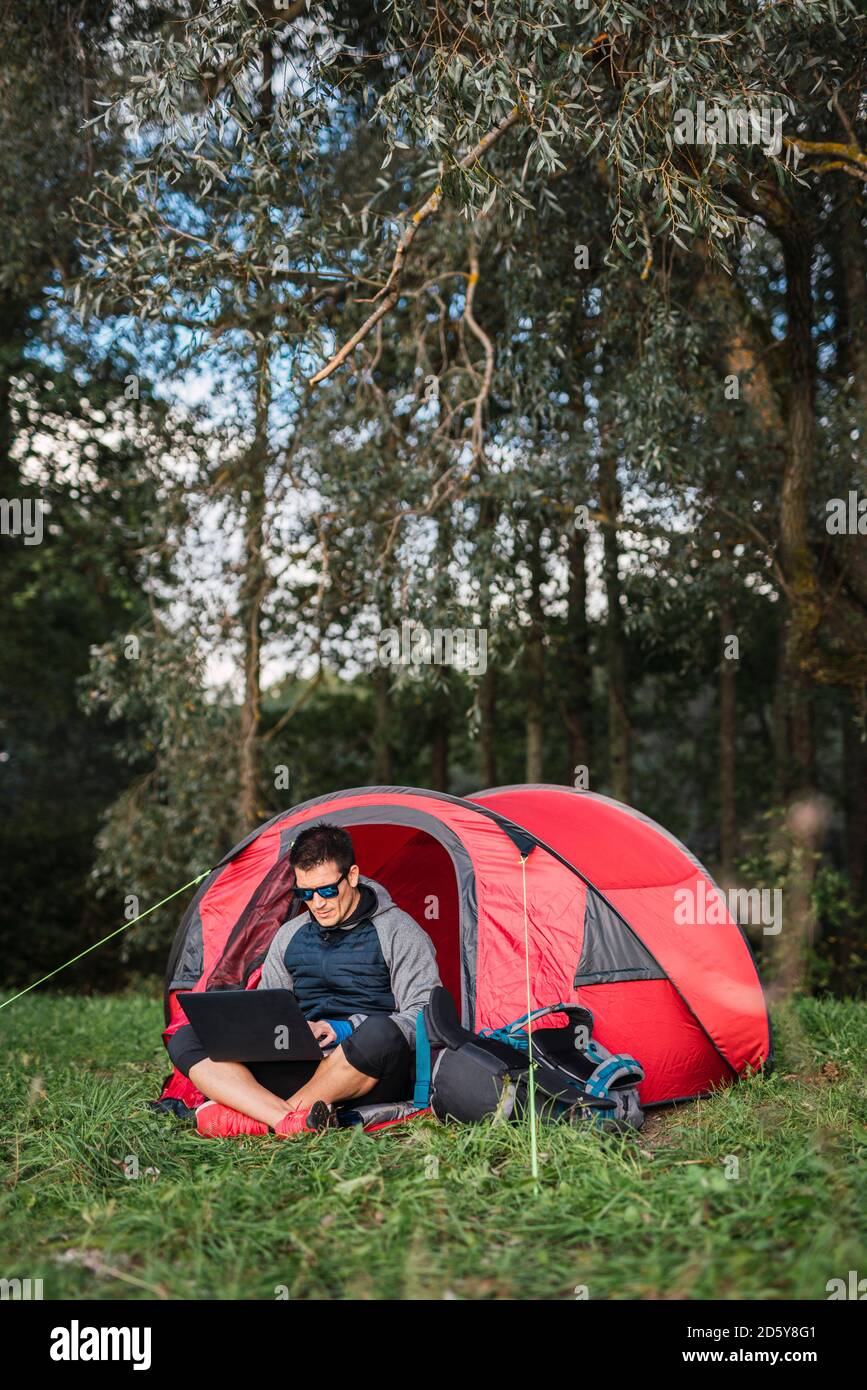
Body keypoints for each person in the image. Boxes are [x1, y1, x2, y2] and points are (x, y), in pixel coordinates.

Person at [167, 821, 441, 1138]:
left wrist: (343, 1028)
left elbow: (423, 1013)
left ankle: (261, 1118)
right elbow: (265, 1011)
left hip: (363, 1068)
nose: (318, 903)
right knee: (188, 1037)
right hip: (302, 1062)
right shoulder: (288, 936)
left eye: (327, 890)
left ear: (352, 876)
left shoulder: (399, 931)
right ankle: (289, 1121)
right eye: (305, 893)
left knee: (381, 1032)